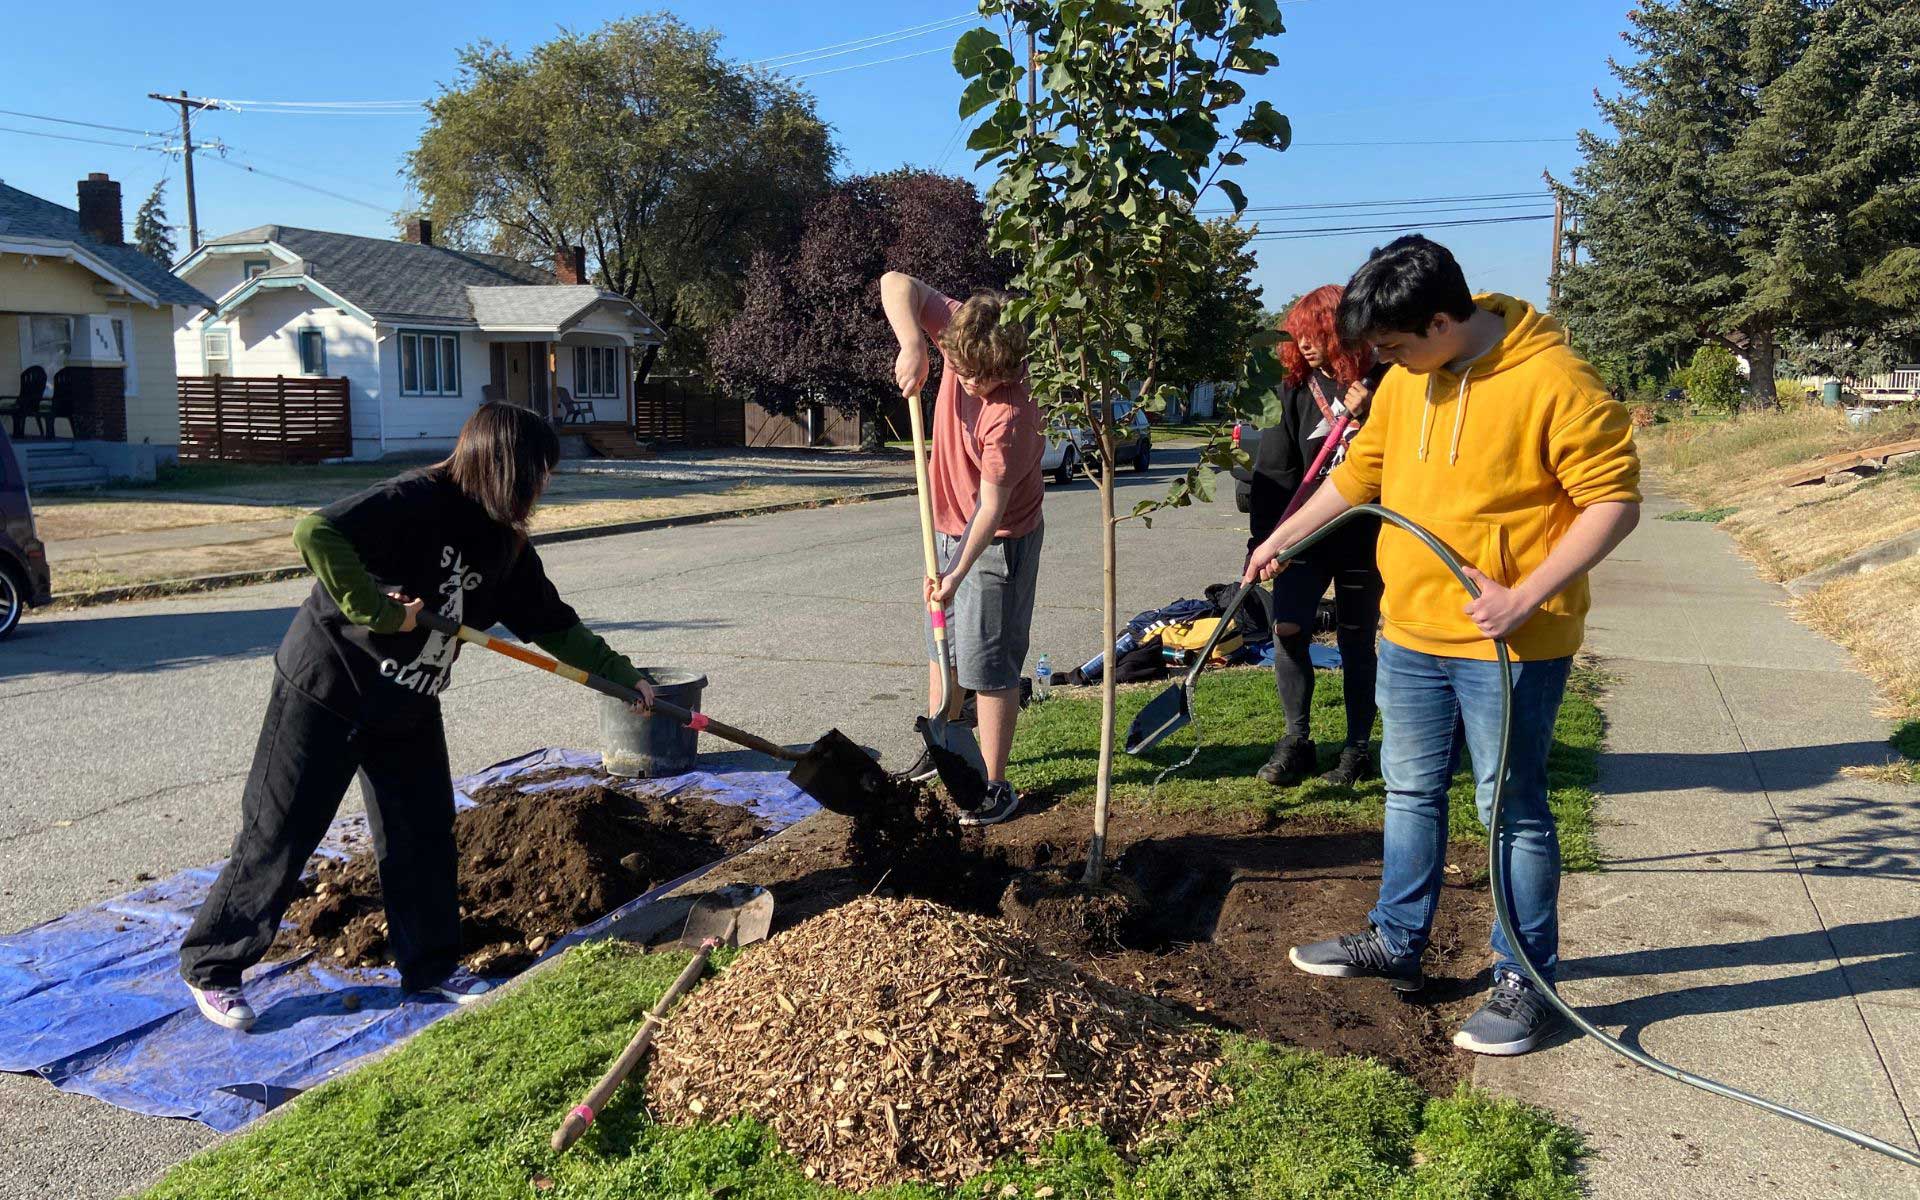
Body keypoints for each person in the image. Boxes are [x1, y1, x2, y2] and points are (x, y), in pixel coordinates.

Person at [1244, 236, 1641, 1056]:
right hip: (1413, 633)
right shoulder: (1406, 380)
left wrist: (1524, 594)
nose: (1381, 363)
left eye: (1391, 346)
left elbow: (1614, 502)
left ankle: (1524, 982)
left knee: (1511, 812)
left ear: (1439, 320)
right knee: (1409, 791)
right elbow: (1360, 479)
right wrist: (1284, 536)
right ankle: (1397, 937)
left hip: (1513, 641)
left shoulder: (1554, 380)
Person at [178, 403, 656, 1031]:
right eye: (541, 471)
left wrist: (624, 678)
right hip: (329, 685)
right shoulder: (414, 500)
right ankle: (213, 967)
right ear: (507, 466)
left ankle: (430, 967)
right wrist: (375, 608)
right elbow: (315, 532)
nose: (546, 486)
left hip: (407, 700)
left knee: (422, 834)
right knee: (281, 828)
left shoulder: (505, 544)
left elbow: (553, 623)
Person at [880, 271, 1045, 827]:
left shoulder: (1013, 418)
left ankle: (997, 787)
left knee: (989, 663)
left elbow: (991, 511)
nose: (970, 385)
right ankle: (944, 749)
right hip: (946, 524)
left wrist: (955, 572)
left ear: (1009, 366)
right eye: (963, 371)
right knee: (941, 648)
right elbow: (895, 282)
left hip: (996, 540)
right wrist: (913, 345)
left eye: (982, 378)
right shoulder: (961, 330)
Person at [1247, 285, 1383, 787]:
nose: (1304, 345)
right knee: (1288, 629)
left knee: (1355, 639)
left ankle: (1357, 748)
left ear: (1342, 332)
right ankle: (1297, 740)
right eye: (1298, 335)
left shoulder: (1386, 382)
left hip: (1363, 536)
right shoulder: (1294, 390)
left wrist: (1370, 411)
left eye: (1315, 334)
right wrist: (1264, 542)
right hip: (1303, 537)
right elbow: (1273, 473)